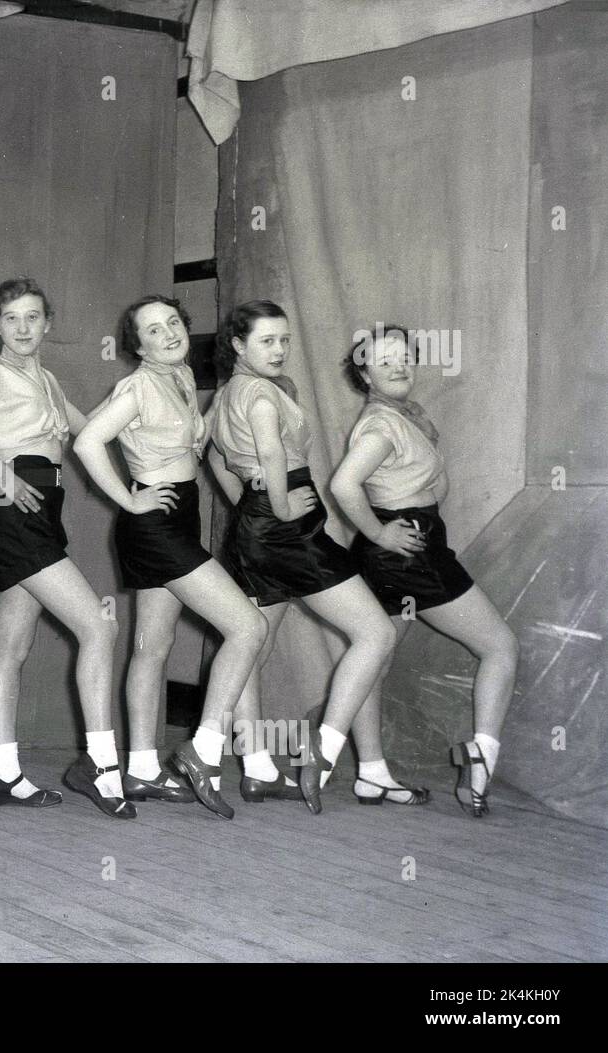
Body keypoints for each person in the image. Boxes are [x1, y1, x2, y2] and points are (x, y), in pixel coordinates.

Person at [0, 277, 132, 819]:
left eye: (32, 317)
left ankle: (3, 774)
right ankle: (101, 764)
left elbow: (93, 431)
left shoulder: (46, 380)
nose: (22, 328)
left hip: (43, 513)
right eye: (11, 318)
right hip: (14, 515)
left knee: (13, 648)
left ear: (47, 324)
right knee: (97, 626)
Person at [75, 296, 269, 819]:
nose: (168, 334)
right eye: (153, 331)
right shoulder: (139, 385)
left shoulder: (178, 377)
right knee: (248, 628)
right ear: (138, 346)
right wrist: (129, 498)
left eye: (174, 323)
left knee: (152, 645)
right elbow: (89, 442)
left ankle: (140, 767)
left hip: (178, 515)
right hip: (154, 523)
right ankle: (203, 751)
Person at [205, 300, 398, 814]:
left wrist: (251, 506)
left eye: (284, 340)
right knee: (375, 633)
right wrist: (282, 503)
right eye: (266, 341)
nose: (279, 350)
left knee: (252, 647)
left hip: (257, 528)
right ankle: (323, 750)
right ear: (238, 346)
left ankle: (257, 770)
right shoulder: (263, 396)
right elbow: (270, 453)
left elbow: (215, 458)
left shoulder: (225, 396)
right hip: (287, 528)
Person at [330, 324, 518, 815]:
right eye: (383, 359)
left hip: (400, 552)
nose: (397, 365)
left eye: (403, 356)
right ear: (364, 372)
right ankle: (481, 757)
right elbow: (345, 484)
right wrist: (380, 532)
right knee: (500, 646)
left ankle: (371, 774)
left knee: (376, 656)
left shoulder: (402, 415)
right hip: (409, 551)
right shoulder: (382, 424)